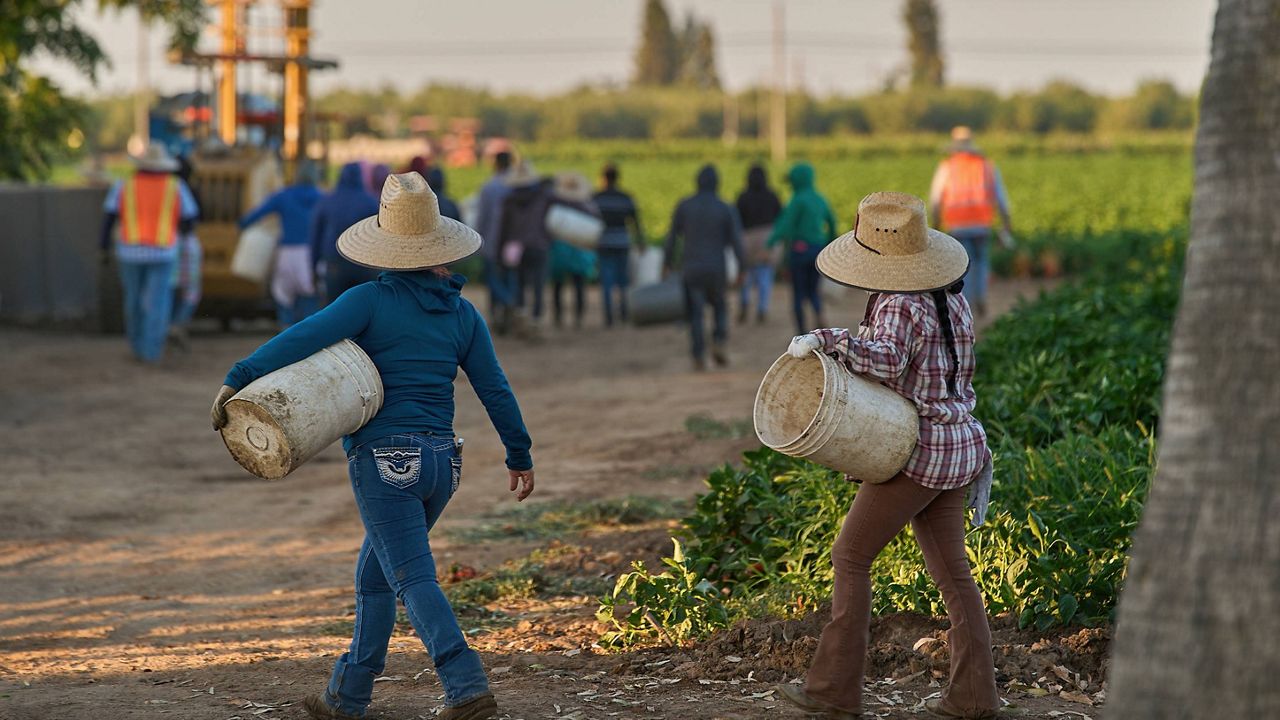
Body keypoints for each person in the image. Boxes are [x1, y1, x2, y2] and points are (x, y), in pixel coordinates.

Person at [211, 172, 534, 720]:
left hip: (386, 461)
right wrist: (518, 454)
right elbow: (494, 388)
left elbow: (302, 338)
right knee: (376, 577)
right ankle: (347, 696)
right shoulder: (462, 312)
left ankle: (466, 685)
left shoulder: (368, 300)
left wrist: (239, 377)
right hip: (442, 464)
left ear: (386, 244)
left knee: (411, 577)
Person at [778, 192, 998, 720]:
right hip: (959, 445)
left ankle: (833, 692)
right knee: (954, 576)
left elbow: (886, 361)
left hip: (918, 451)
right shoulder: (950, 296)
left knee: (850, 557)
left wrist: (827, 340)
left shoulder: (900, 302)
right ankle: (974, 698)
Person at [99, 144, 200, 363]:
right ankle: (152, 351)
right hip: (163, 252)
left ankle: (137, 346)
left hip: (129, 251)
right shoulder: (175, 186)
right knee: (158, 302)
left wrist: (103, 249)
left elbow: (109, 219)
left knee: (133, 299)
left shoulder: (123, 185)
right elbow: (190, 219)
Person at [663, 164, 745, 371]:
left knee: (696, 313)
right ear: (717, 183)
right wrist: (742, 268)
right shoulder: (725, 208)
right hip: (717, 269)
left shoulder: (684, 206)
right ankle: (719, 340)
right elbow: (737, 241)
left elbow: (672, 237)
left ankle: (698, 354)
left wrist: (667, 263)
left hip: (691, 268)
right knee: (720, 307)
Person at [928, 126, 1013, 318]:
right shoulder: (986, 166)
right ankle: (980, 297)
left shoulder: (947, 167)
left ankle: (965, 305)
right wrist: (1007, 223)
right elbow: (1001, 197)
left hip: (957, 225)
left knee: (962, 266)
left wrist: (936, 223)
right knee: (981, 262)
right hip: (981, 224)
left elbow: (935, 198)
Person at [240, 161, 325, 327]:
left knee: (283, 297)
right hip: (311, 255)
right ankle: (309, 333)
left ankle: (286, 331)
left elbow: (258, 213)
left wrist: (242, 225)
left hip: (287, 253)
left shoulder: (284, 196)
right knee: (310, 298)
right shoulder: (322, 198)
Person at [768, 162, 837, 335]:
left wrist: (770, 242)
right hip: (817, 251)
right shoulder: (820, 199)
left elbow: (785, 226)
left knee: (798, 293)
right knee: (813, 290)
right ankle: (819, 316)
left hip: (799, 251)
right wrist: (829, 245)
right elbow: (831, 223)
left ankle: (801, 332)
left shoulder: (797, 201)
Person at [312, 162, 381, 303]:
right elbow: (379, 237)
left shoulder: (328, 201)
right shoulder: (370, 201)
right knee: (363, 309)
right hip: (363, 265)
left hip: (334, 263)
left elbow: (316, 235)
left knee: (335, 310)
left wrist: (313, 266)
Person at [498, 161, 554, 331]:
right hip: (539, 245)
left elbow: (503, 228)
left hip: (517, 248)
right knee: (538, 284)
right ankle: (536, 320)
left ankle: (521, 316)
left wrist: (500, 249)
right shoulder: (542, 198)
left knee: (519, 283)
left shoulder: (509, 200)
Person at [547, 172, 600, 329]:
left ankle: (558, 317)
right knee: (578, 284)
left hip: (560, 250)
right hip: (580, 251)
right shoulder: (587, 206)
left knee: (558, 285)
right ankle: (578, 317)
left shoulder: (557, 205)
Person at [592, 163, 643, 327]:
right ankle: (624, 313)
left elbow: (588, 221)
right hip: (622, 242)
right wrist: (641, 241)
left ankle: (609, 317)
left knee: (607, 281)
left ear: (604, 178)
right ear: (617, 178)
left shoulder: (597, 198)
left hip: (604, 243)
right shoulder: (626, 198)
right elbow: (636, 222)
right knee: (623, 281)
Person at [735, 164, 783, 324]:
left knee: (746, 273)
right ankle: (762, 308)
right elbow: (780, 215)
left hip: (747, 237)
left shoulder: (742, 196)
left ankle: (744, 302)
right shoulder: (772, 195)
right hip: (767, 237)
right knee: (765, 274)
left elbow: (737, 219)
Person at [473, 151, 516, 328]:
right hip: (512, 243)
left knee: (492, 278)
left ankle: (501, 310)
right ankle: (508, 314)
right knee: (508, 277)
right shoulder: (516, 187)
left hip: (491, 240)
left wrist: (477, 240)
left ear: (496, 164)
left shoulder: (489, 187)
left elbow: (482, 217)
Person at [169, 154, 204, 349]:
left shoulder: (164, 188)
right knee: (191, 290)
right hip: (187, 243)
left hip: (164, 243)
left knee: (168, 289)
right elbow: (195, 217)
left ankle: (166, 325)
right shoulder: (188, 190)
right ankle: (178, 323)